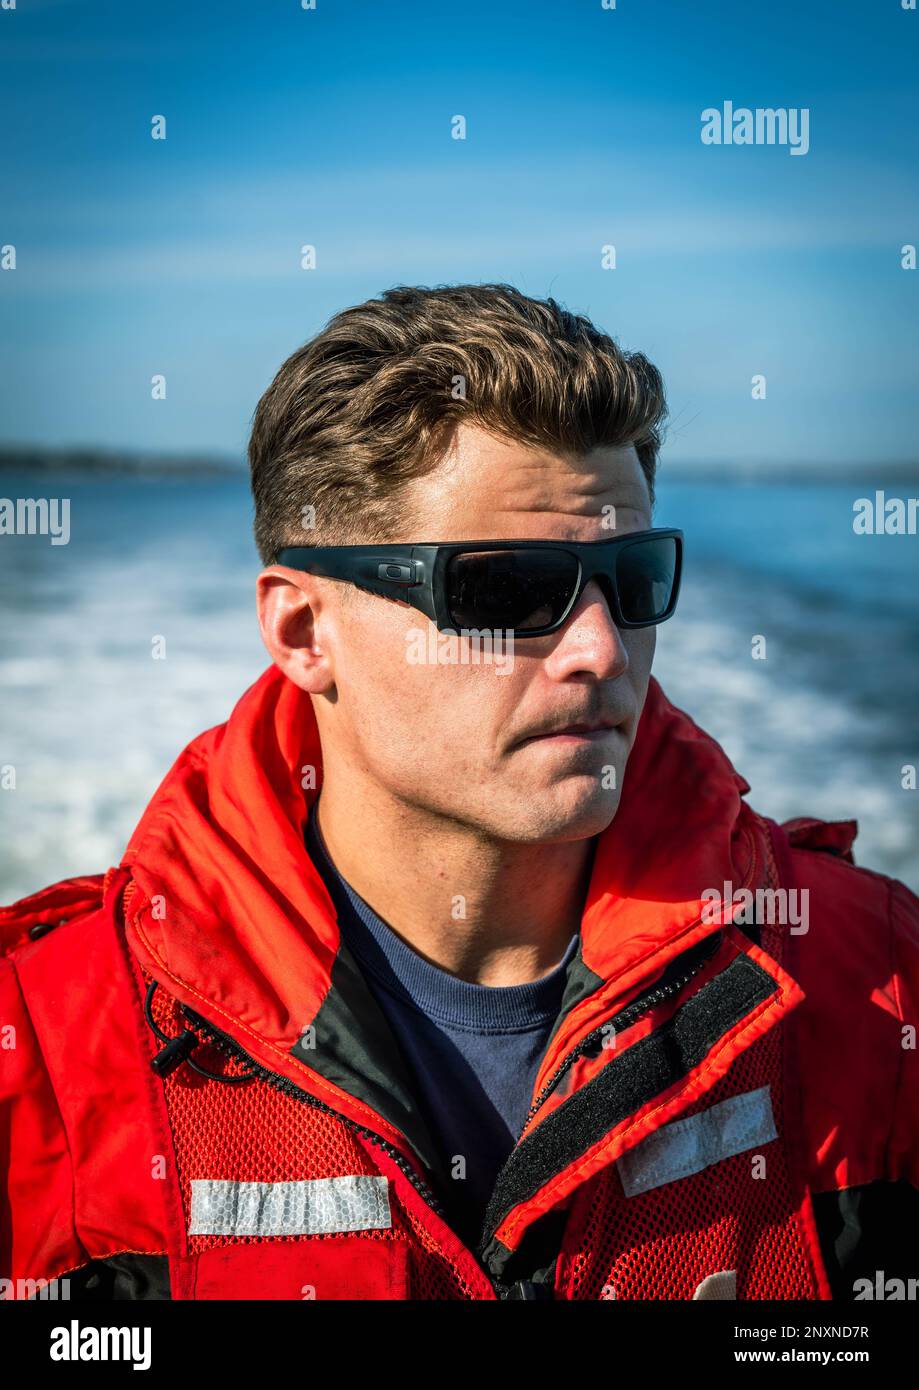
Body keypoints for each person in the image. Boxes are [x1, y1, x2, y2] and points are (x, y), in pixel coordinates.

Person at [2, 283, 918, 1302]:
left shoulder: (874, 978)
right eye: (506, 590)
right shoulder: (41, 1048)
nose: (601, 649)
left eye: (631, 576)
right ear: (306, 632)